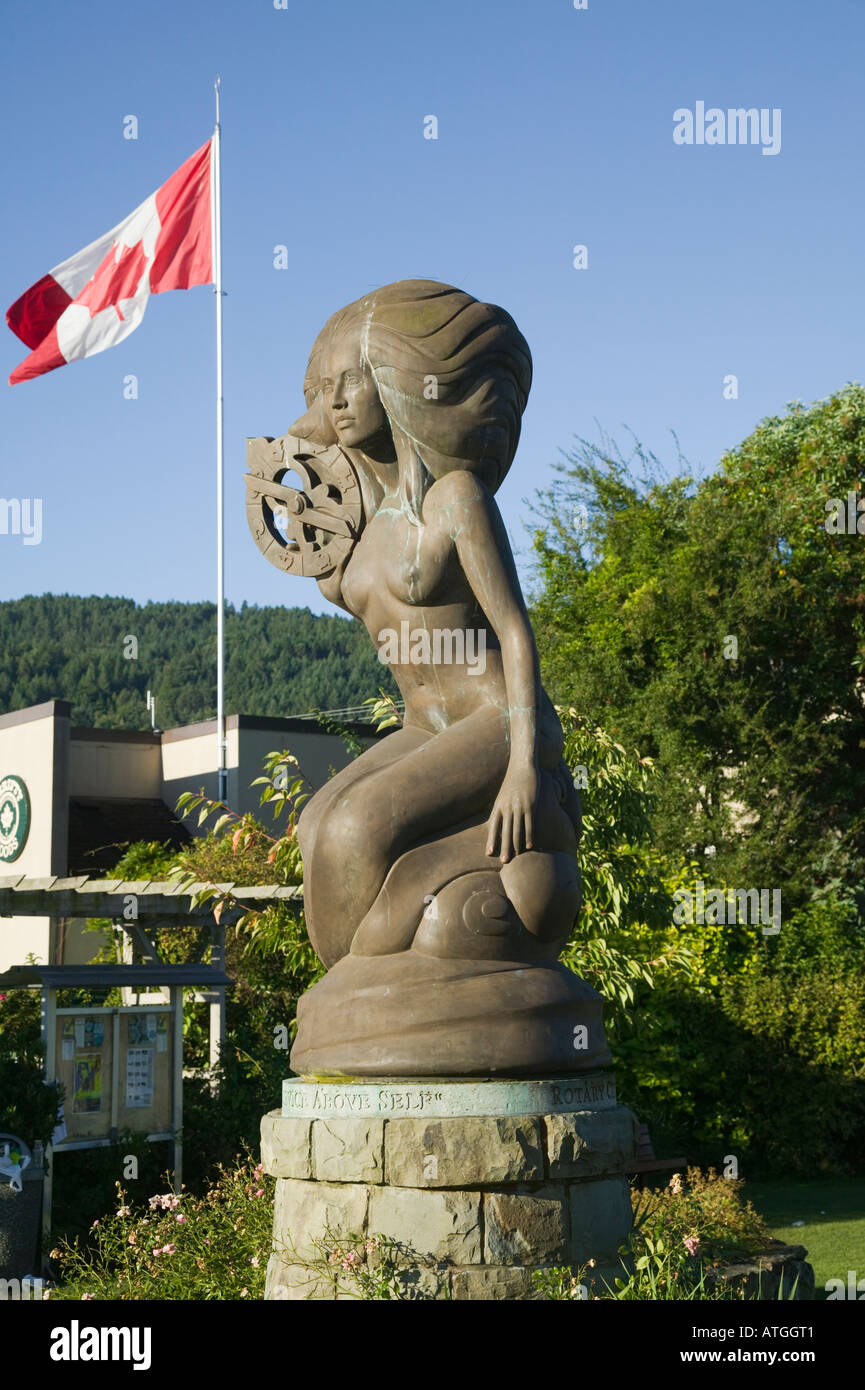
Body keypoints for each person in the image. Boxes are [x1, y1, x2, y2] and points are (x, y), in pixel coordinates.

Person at [286, 281, 582, 973]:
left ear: (399, 387)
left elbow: (514, 632)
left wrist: (523, 771)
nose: (332, 402)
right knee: (314, 827)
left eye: (350, 382)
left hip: (496, 715)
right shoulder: (357, 532)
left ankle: (363, 983)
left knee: (357, 828)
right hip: (423, 723)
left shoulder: (456, 499)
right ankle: (357, 990)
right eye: (322, 387)